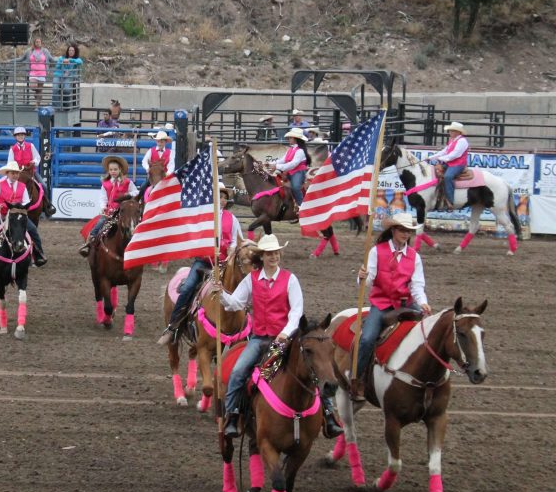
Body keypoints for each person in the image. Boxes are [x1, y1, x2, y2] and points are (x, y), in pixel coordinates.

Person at [213, 234, 343, 439]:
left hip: (285, 340)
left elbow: (296, 311)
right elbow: (235, 303)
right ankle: (232, 415)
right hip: (259, 339)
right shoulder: (251, 279)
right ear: (262, 257)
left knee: (312, 368)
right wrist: (221, 293)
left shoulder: (290, 279)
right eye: (270, 254)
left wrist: (284, 334)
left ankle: (329, 414)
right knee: (238, 371)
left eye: (276, 253)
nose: (274, 257)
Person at [353, 212, 432, 399]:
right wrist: (362, 277)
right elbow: (368, 281)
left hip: (405, 305)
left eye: (408, 231)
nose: (406, 234)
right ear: (393, 230)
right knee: (367, 339)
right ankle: (358, 378)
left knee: (429, 332)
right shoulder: (376, 251)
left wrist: (423, 303)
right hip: (381, 305)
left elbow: (416, 285)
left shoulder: (414, 257)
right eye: (402, 230)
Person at [157, 182, 243, 345]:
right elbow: (193, 237)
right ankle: (173, 327)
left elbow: (235, 239)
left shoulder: (232, 219)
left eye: (224, 197)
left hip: (224, 264)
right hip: (203, 262)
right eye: (219, 196)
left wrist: (231, 250)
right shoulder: (202, 217)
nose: (222, 200)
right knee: (188, 287)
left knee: (241, 287)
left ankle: (245, 328)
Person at [0, 162, 47, 269]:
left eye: (17, 173)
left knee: (33, 230)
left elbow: (26, 201)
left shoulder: (22, 186)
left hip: (17, 217)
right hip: (1, 215)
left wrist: (20, 207)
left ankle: (39, 255)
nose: (15, 175)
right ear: (7, 174)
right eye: (13, 173)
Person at [78, 155, 138, 257]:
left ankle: (136, 246)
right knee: (100, 223)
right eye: (111, 170)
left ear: (120, 170)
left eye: (115, 169)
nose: (113, 171)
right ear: (108, 171)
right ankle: (89, 242)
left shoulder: (127, 182)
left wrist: (128, 195)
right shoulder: (105, 184)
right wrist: (103, 207)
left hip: (123, 211)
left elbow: (136, 192)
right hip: (110, 211)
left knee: (132, 224)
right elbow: (103, 198)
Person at [7, 126, 55, 216]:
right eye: (18, 135)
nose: (20, 137)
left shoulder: (31, 146)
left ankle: (48, 206)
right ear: (15, 137)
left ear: (25, 136)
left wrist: (33, 162)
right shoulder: (12, 150)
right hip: (18, 174)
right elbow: (10, 163)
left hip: (31, 172)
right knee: (7, 186)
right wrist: (15, 170)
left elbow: (38, 158)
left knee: (43, 186)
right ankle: (7, 205)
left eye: (22, 135)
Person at [426, 121, 469, 210]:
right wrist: (431, 157)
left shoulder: (462, 141)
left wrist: (441, 159)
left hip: (458, 164)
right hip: (450, 163)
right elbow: (444, 151)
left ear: (458, 132)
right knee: (434, 172)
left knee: (448, 176)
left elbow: (455, 155)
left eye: (452, 131)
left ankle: (450, 201)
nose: (450, 132)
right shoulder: (452, 140)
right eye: (450, 130)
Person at [271, 128, 311, 208]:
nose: (288, 139)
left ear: (296, 139)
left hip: (298, 172)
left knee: (296, 187)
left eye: (290, 137)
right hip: (291, 171)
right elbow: (283, 159)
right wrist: (271, 164)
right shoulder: (291, 149)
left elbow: (293, 164)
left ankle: (302, 206)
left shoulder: (300, 151)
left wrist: (277, 166)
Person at [17, 37, 52, 108]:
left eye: (39, 42)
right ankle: (38, 96)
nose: (38, 43)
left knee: (40, 90)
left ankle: (37, 105)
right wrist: (12, 61)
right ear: (34, 43)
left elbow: (52, 59)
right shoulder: (29, 51)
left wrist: (62, 60)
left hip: (42, 72)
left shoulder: (45, 51)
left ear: (41, 43)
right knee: (33, 87)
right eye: (36, 42)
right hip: (33, 73)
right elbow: (21, 59)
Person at [139, 130, 173, 199]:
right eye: (158, 141)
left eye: (162, 141)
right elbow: (144, 161)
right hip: (152, 177)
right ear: (156, 142)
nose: (160, 143)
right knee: (143, 187)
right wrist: (147, 168)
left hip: (164, 177)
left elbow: (171, 164)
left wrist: (168, 173)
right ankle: (140, 201)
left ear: (165, 142)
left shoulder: (170, 153)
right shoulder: (151, 150)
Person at [51, 43, 82, 109]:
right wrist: (63, 62)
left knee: (67, 90)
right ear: (67, 51)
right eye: (69, 50)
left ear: (75, 52)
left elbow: (80, 62)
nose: (71, 52)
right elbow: (57, 66)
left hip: (68, 77)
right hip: (58, 75)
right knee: (55, 89)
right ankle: (57, 107)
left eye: (72, 50)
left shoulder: (76, 59)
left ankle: (65, 105)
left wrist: (70, 60)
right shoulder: (62, 58)